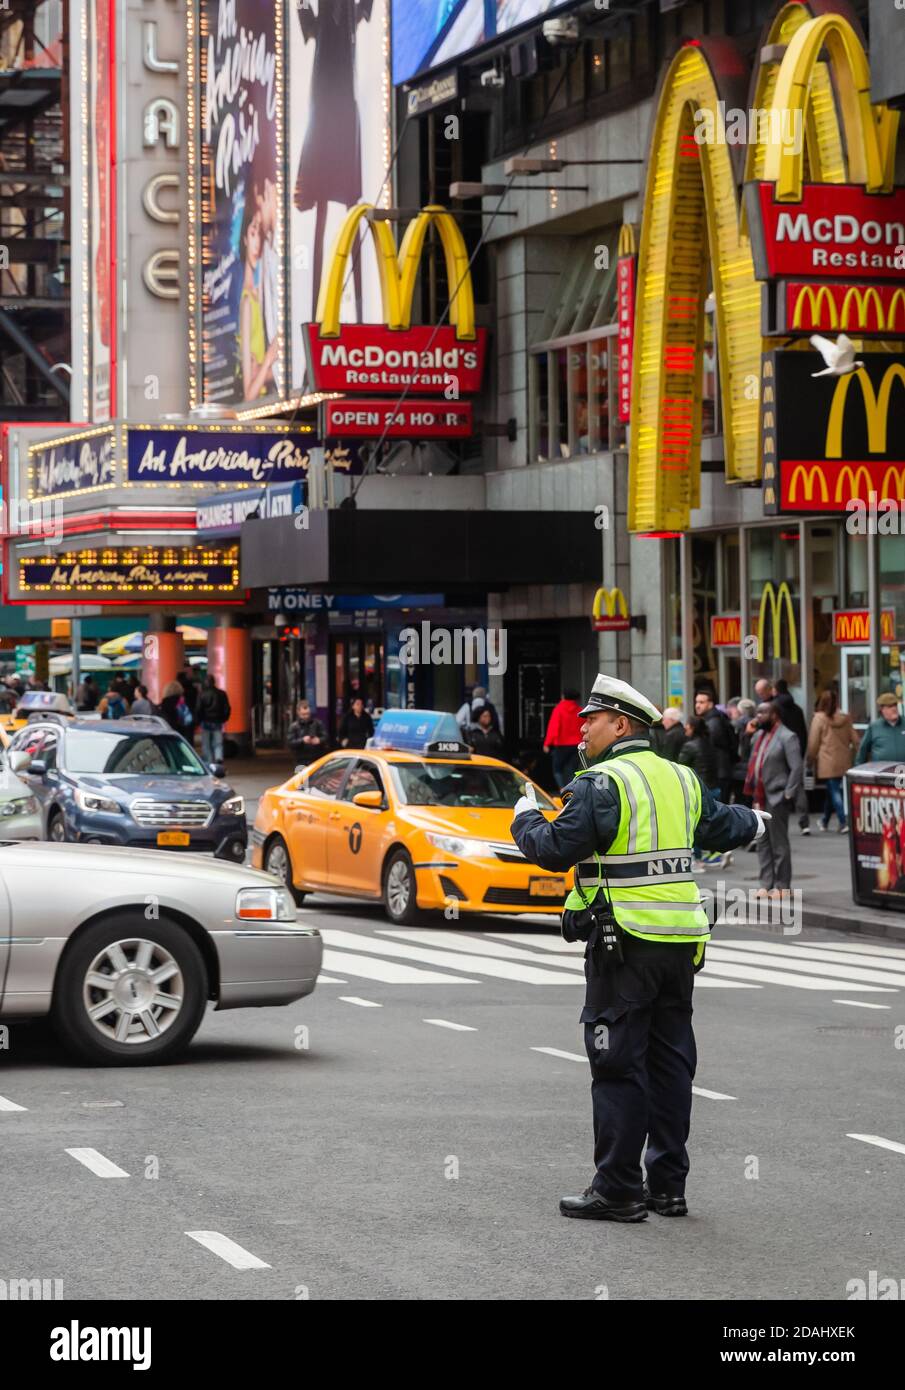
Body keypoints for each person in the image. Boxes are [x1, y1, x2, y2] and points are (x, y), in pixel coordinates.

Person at [511, 674, 763, 1223]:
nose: (582, 731)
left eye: (591, 721)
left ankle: (619, 1190)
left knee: (617, 1066)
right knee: (671, 1066)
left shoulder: (601, 783)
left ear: (619, 725)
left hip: (622, 946)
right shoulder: (681, 779)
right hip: (680, 946)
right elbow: (721, 824)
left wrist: (523, 818)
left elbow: (555, 849)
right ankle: (667, 1189)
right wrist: (757, 823)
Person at [744, 701, 803, 898]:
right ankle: (765, 883)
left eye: (763, 713)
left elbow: (796, 767)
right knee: (762, 841)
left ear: (775, 715)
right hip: (759, 796)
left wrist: (788, 793)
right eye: (758, 712)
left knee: (779, 843)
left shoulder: (787, 736)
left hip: (777, 796)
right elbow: (744, 757)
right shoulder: (759, 736)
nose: (758, 716)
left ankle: (782, 886)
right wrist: (747, 735)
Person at [807, 691, 859, 833]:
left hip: (827, 761)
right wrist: (858, 757)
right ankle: (824, 820)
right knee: (831, 791)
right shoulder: (845, 718)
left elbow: (813, 743)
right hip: (844, 760)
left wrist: (809, 760)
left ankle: (843, 822)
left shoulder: (818, 719)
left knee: (834, 790)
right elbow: (855, 740)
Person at [679, 717, 723, 869]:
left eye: (687, 725)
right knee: (714, 821)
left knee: (695, 824)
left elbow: (680, 768)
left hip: (699, 789)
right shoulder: (710, 744)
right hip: (714, 787)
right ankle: (716, 853)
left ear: (692, 727)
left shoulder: (689, 746)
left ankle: (697, 860)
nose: (685, 728)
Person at [773, 678, 811, 834]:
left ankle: (778, 821)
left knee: (776, 784)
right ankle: (805, 822)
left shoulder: (775, 709)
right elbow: (803, 731)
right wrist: (801, 750)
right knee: (798, 785)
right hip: (796, 748)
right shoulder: (797, 708)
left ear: (776, 690)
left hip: (779, 749)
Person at [694, 689, 736, 803]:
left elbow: (712, 748)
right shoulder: (714, 719)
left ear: (710, 704)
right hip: (720, 772)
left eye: (701, 702)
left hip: (718, 774)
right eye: (696, 702)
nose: (697, 705)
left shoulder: (713, 723)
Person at [543, 688, 584, 788]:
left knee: (557, 769)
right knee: (572, 770)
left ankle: (562, 789)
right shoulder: (580, 710)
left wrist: (547, 743)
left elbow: (553, 727)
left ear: (563, 696)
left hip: (562, 744)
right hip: (577, 745)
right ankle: (572, 790)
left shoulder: (558, 709)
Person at [855, 692, 905, 764]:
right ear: (882, 709)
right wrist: (858, 772)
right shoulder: (874, 727)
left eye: (895, 705)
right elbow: (863, 750)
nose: (894, 708)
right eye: (890, 706)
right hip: (882, 772)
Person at [197, 675, 231, 764]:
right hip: (218, 721)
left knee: (206, 743)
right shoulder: (221, 693)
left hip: (205, 721)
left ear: (206, 682)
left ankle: (208, 760)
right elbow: (226, 708)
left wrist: (199, 719)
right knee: (218, 742)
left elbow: (198, 709)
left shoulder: (202, 694)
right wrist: (224, 718)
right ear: (214, 682)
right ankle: (218, 758)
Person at [731, 699, 757, 805]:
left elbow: (736, 747)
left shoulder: (736, 725)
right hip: (752, 765)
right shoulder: (758, 724)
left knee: (740, 798)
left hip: (739, 766)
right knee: (749, 798)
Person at [288, 699, 327, 767]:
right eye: (303, 714)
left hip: (316, 759)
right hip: (300, 761)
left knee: (316, 777)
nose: (306, 716)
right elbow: (290, 743)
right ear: (298, 712)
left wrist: (319, 740)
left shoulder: (317, 723)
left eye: (308, 714)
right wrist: (302, 740)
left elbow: (326, 737)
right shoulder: (294, 726)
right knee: (301, 777)